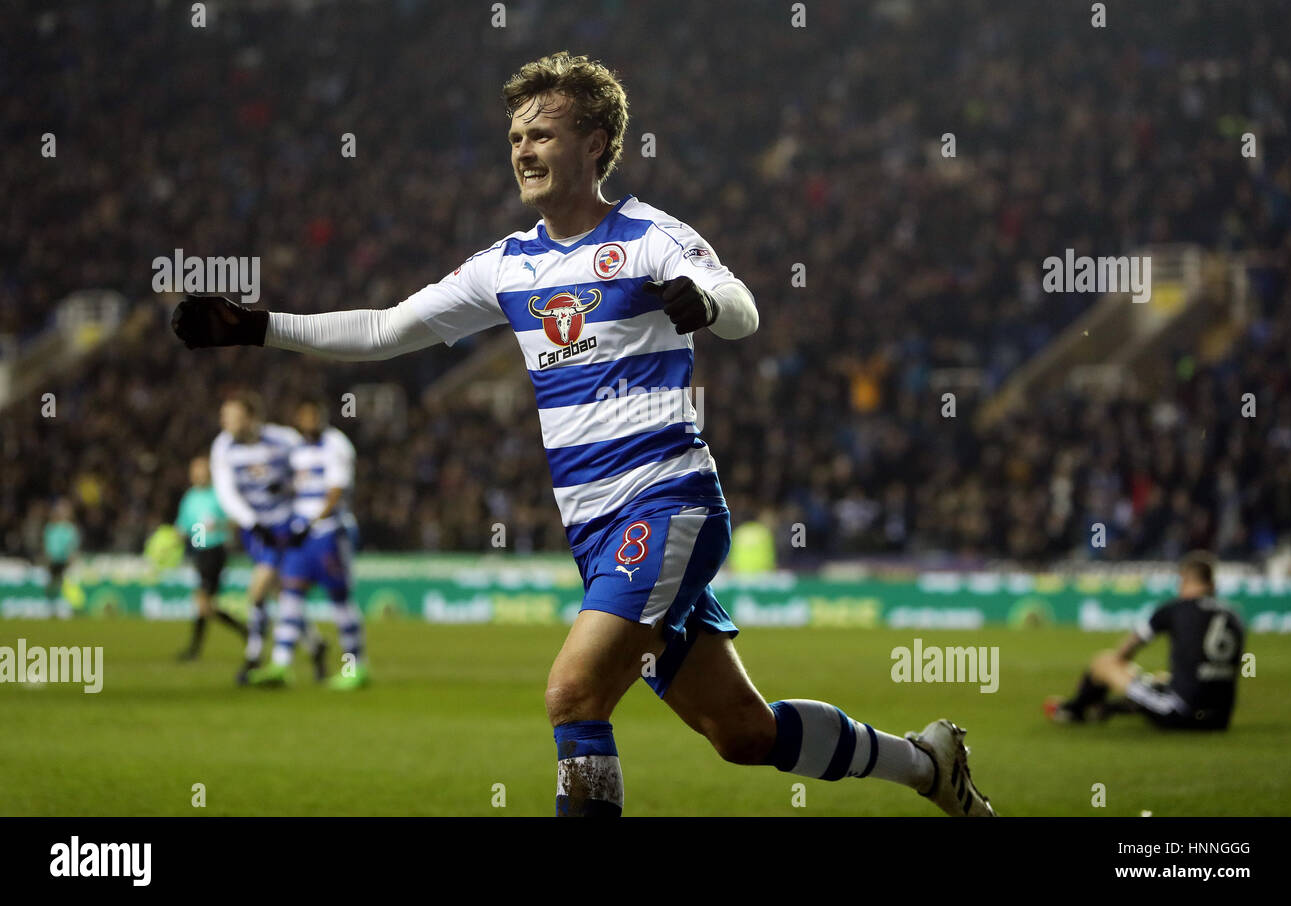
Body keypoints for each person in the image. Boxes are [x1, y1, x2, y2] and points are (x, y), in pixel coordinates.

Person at [172, 51, 994, 816]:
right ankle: (925, 765)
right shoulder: (507, 265)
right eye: (515, 137)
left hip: (666, 504)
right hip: (595, 529)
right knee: (742, 734)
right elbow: (387, 330)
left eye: (543, 134)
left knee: (573, 695)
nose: (524, 150)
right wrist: (259, 326)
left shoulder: (650, 236)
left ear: (596, 143)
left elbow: (742, 306)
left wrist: (702, 303)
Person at [1045, 551, 1245, 730]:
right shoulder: (1233, 615)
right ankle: (1109, 708)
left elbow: (1127, 649)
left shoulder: (1175, 609)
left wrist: (1120, 669)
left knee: (1104, 662)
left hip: (1183, 713)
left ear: (1183, 579)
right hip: (1219, 718)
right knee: (1161, 680)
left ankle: (1075, 710)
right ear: (1212, 583)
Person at [247, 400, 366, 689]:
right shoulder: (297, 449)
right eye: (305, 415)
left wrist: (311, 524)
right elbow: (299, 483)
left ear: (323, 417)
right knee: (290, 595)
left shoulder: (336, 444)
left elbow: (336, 491)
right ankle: (281, 665)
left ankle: (356, 669)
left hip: (328, 532)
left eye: (315, 415)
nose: (310, 420)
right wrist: (281, 487)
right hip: (301, 531)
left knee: (340, 600)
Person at [210, 392, 326, 685]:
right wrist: (250, 523)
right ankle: (315, 645)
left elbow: (308, 466)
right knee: (281, 595)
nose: (225, 422)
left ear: (250, 418)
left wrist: (289, 486)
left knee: (258, 590)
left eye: (232, 416)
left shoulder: (282, 439)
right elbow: (226, 492)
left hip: (284, 526)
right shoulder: (223, 447)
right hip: (255, 530)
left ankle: (253, 656)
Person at [175, 454, 246, 660]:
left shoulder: (219, 495)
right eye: (195, 470)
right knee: (205, 605)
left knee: (202, 601)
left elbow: (237, 520)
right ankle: (243, 630)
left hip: (215, 551)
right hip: (199, 552)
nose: (198, 474)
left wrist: (219, 525)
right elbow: (183, 528)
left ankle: (194, 650)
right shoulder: (189, 498)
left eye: (201, 469)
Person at [42, 498, 80, 618]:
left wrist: (71, 557)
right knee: (52, 584)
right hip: (53, 560)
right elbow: (47, 544)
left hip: (65, 560)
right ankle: (52, 609)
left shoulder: (69, 528)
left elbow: (73, 545)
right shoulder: (50, 528)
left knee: (67, 585)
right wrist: (46, 557)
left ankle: (70, 608)